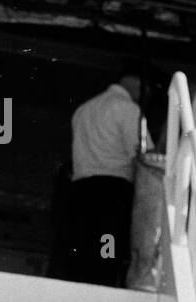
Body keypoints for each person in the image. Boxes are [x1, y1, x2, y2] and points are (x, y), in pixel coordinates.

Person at [66, 66, 152, 286]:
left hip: (80, 188)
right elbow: (144, 155)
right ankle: (103, 283)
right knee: (108, 243)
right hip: (111, 190)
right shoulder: (128, 110)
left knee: (83, 244)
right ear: (136, 84)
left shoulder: (84, 109)